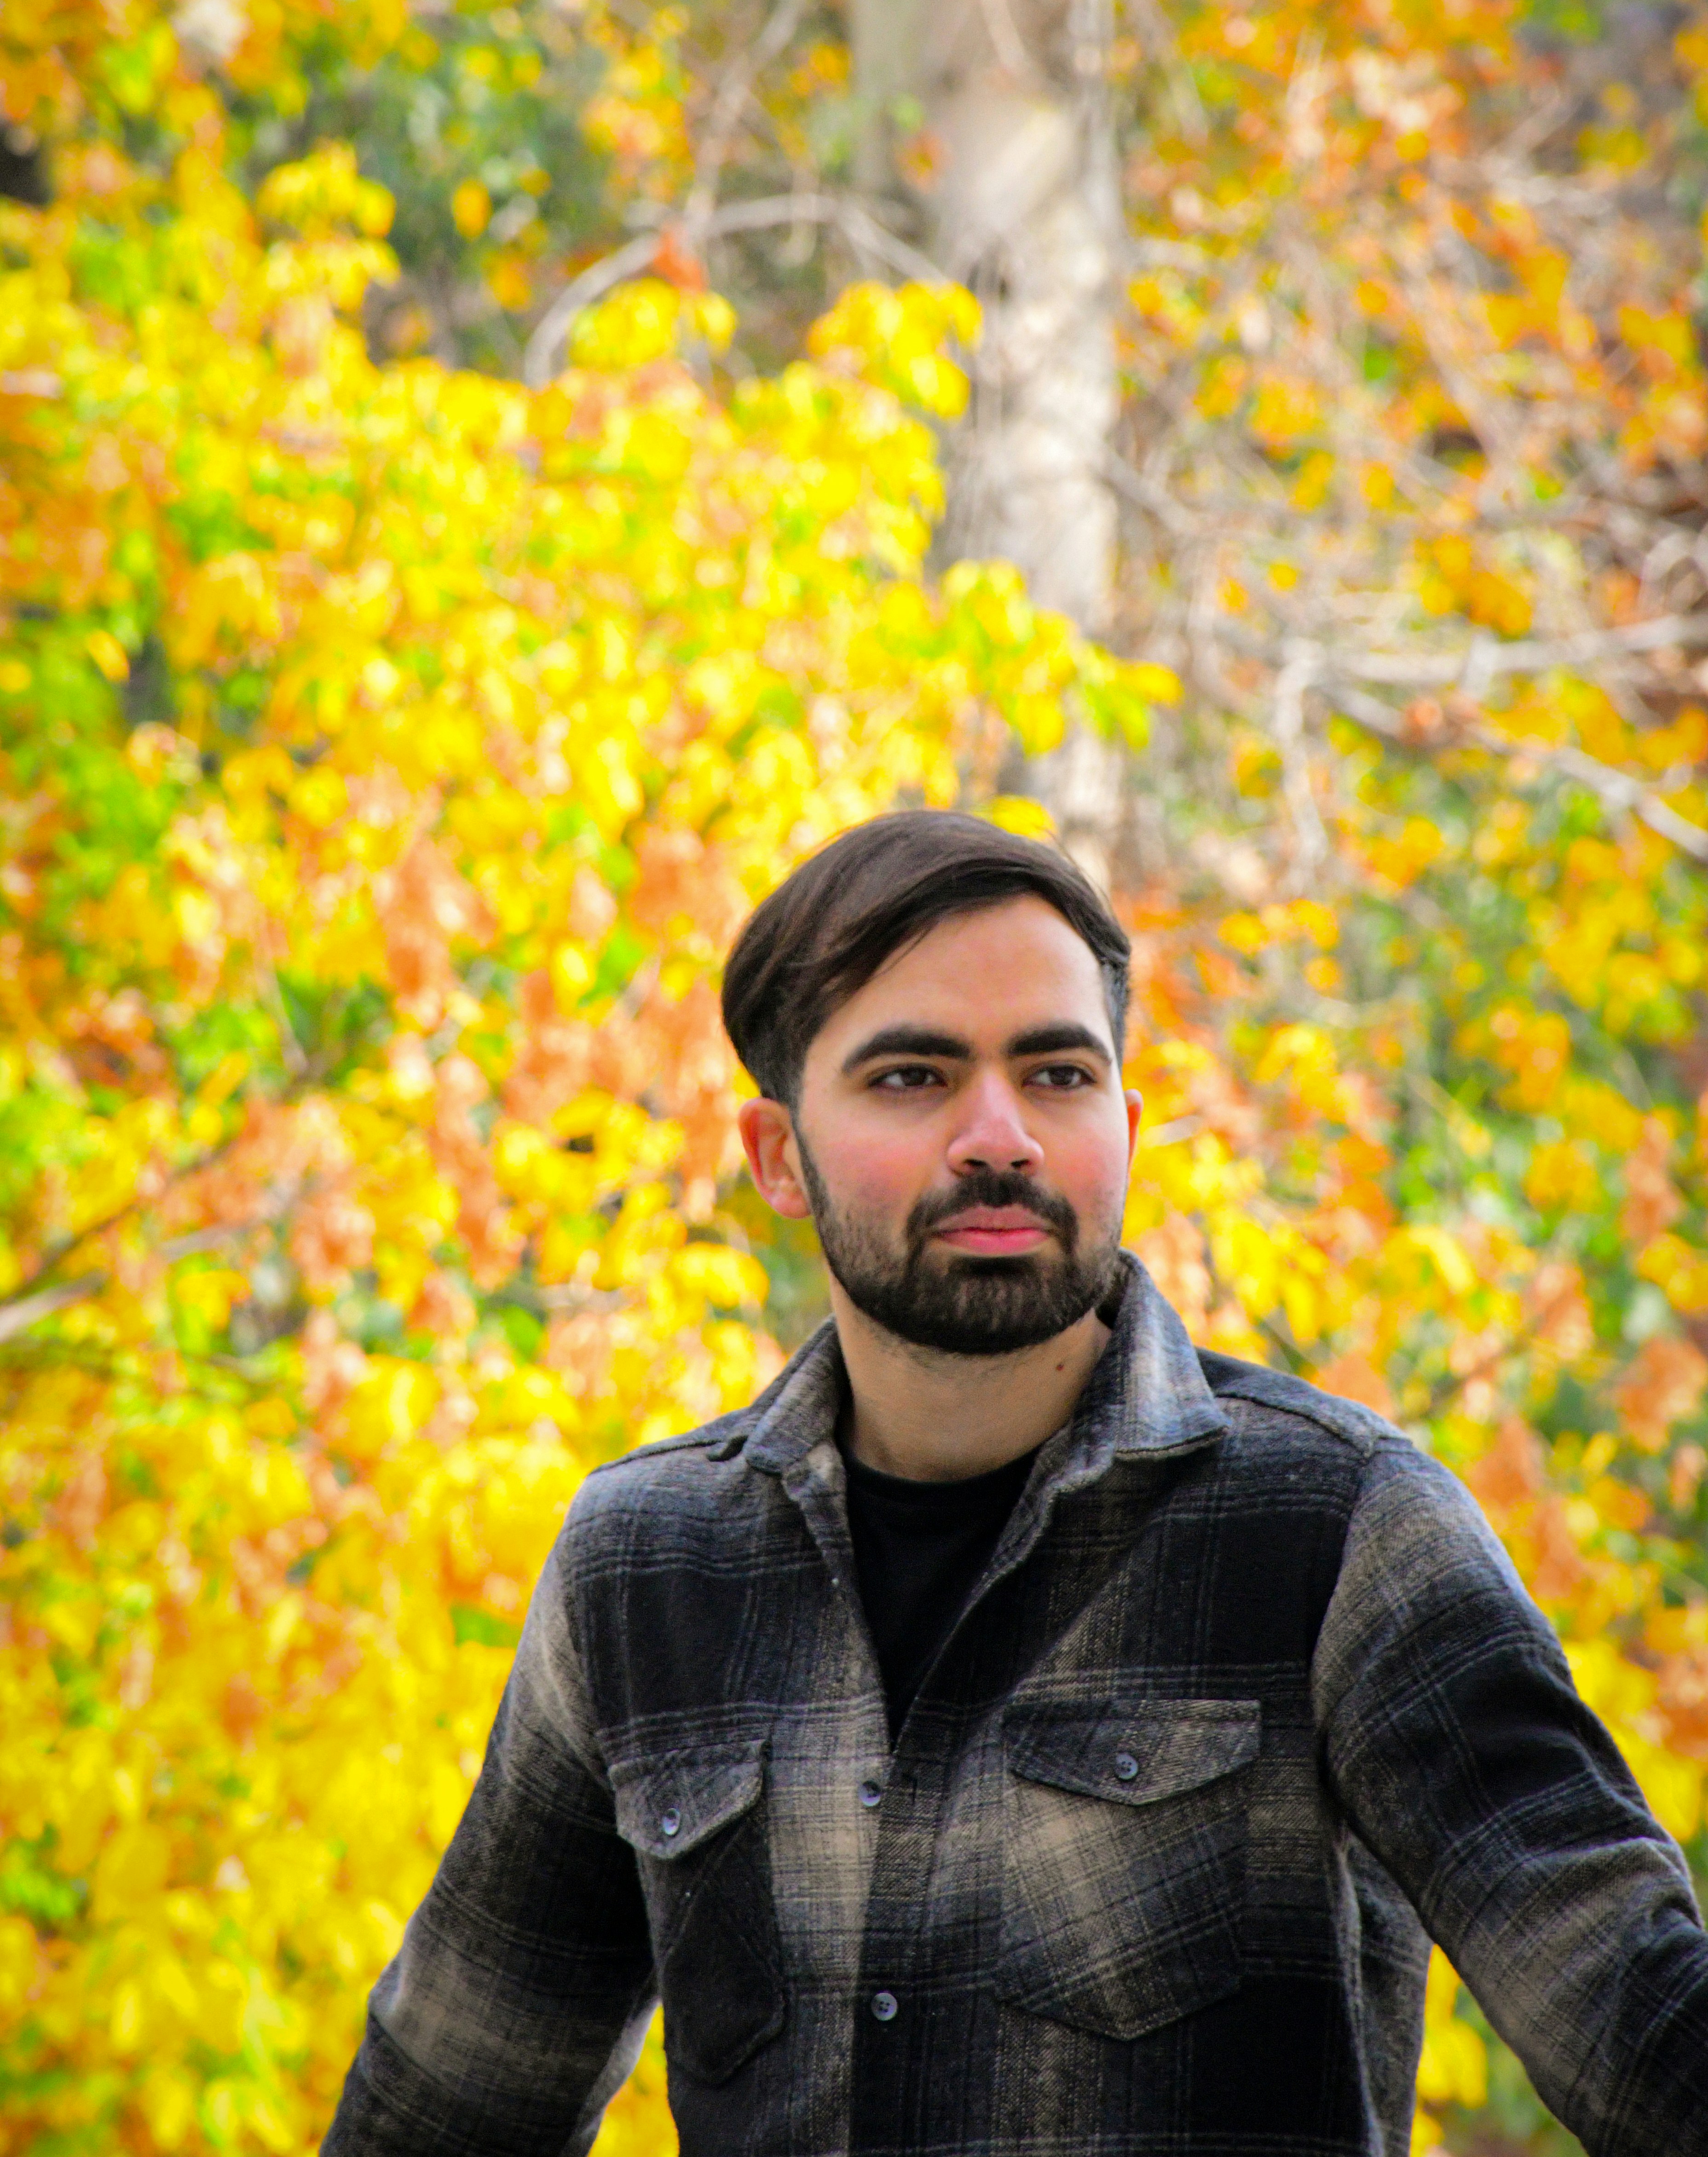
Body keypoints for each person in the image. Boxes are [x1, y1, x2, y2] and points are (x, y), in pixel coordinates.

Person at [322, 809, 1708, 2157]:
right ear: (776, 1158)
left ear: (1128, 1124)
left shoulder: (1341, 1527)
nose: (1001, 1137)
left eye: (1056, 1075)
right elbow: (450, 2102)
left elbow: (1635, 2014)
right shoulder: (643, 1569)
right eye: (911, 1078)